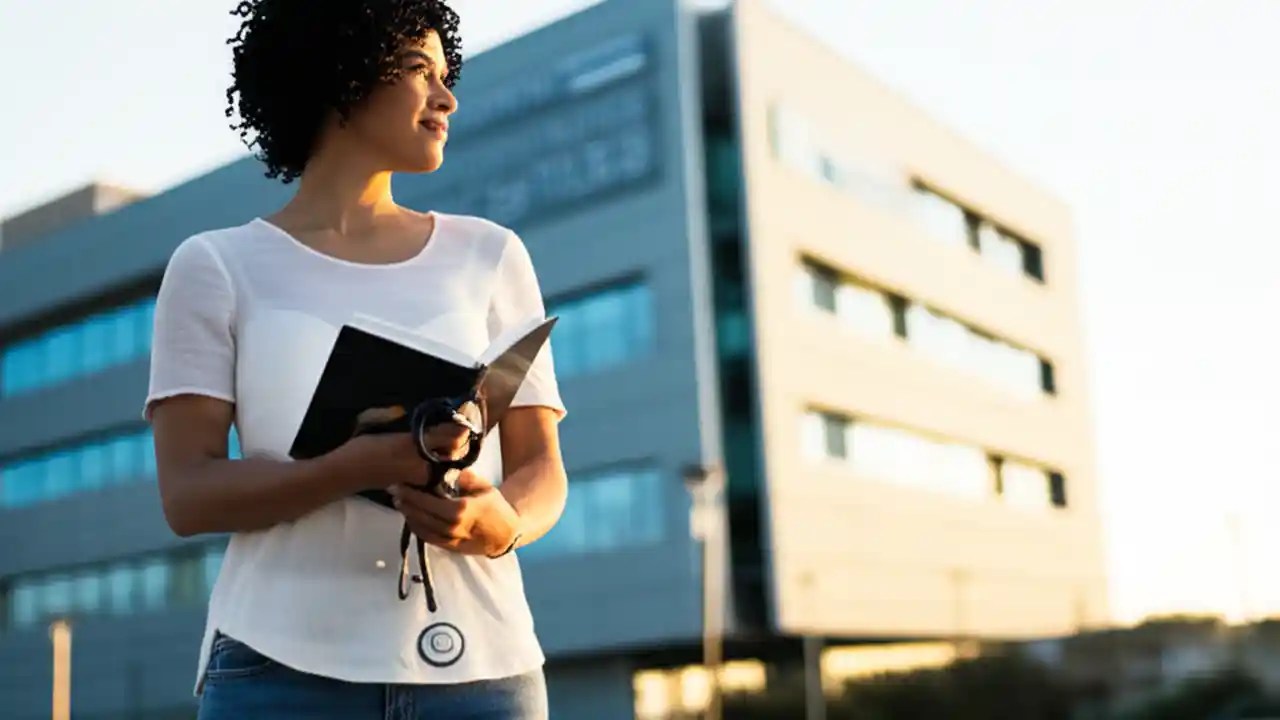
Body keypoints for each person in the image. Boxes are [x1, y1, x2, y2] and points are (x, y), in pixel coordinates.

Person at [143, 1, 567, 717]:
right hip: (276, 673)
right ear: (342, 76)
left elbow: (541, 470)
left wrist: (499, 525)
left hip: (483, 675)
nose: (447, 96)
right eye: (417, 71)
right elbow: (188, 495)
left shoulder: (491, 255)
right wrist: (357, 466)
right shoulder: (215, 265)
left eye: (446, 74)